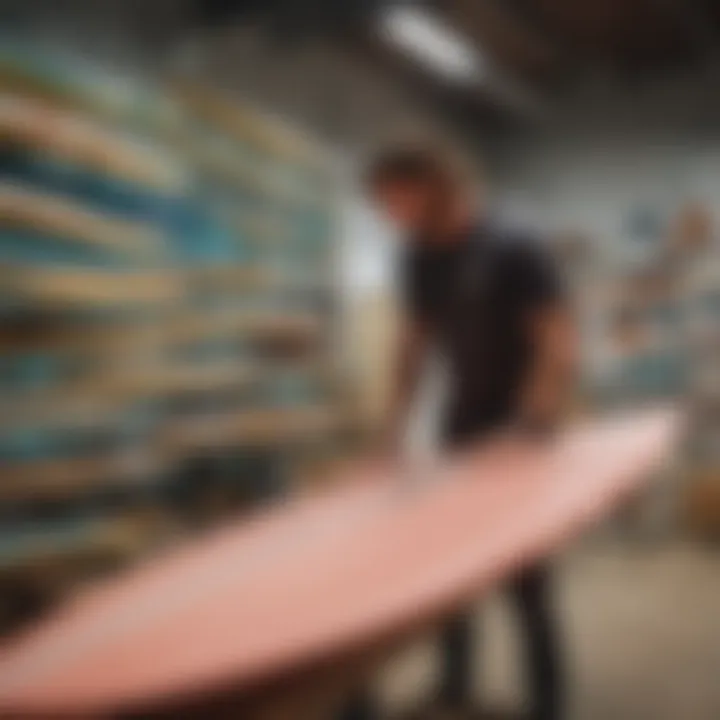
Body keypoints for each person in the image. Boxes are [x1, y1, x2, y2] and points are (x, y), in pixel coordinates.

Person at [342, 147, 576, 720]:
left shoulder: (513, 244)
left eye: (396, 197)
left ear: (435, 184)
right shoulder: (419, 255)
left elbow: (555, 338)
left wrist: (533, 418)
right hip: (462, 422)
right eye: (381, 204)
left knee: (525, 579)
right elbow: (414, 344)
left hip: (522, 424)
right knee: (448, 569)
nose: (389, 212)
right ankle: (455, 683)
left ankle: (547, 703)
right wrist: (391, 430)